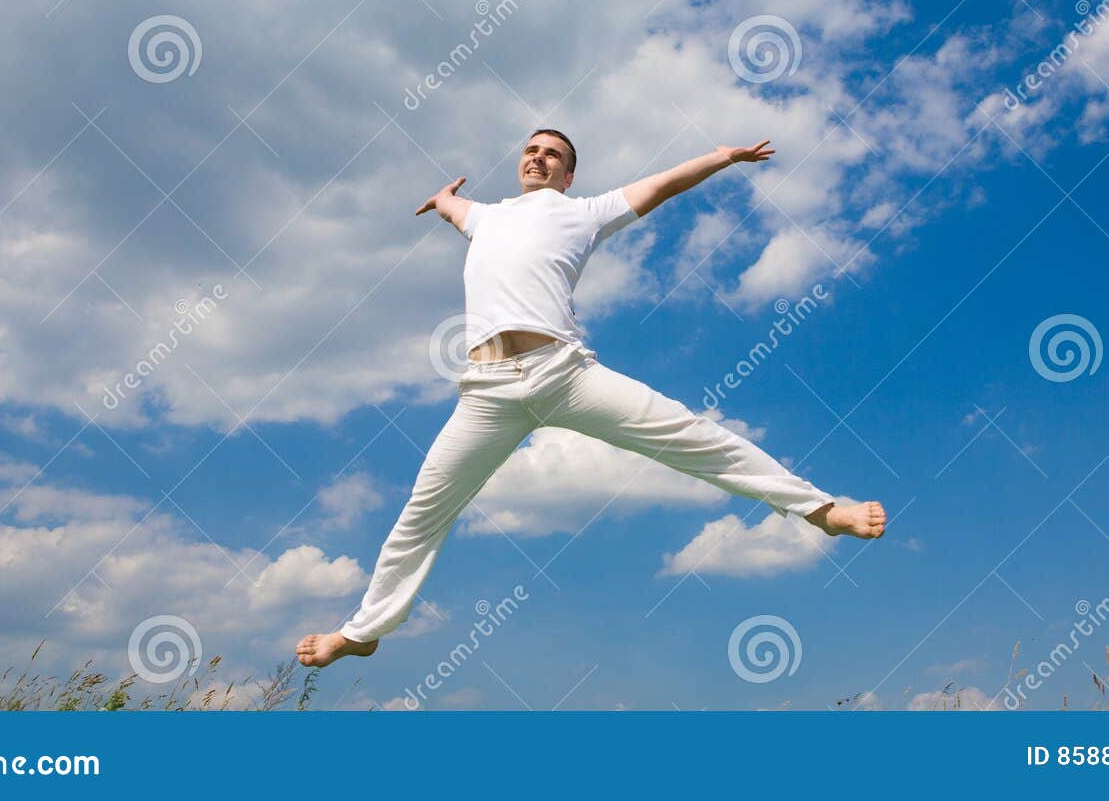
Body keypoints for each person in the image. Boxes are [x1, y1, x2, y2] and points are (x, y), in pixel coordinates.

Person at [296, 129, 885, 668]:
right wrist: (445, 199)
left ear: (568, 175)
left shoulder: (584, 212)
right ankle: (363, 632)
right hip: (487, 393)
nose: (538, 158)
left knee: (692, 435)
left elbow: (662, 185)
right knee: (422, 512)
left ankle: (820, 510)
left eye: (552, 154)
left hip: (563, 372)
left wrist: (721, 158)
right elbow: (453, 210)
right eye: (531, 150)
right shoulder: (485, 216)